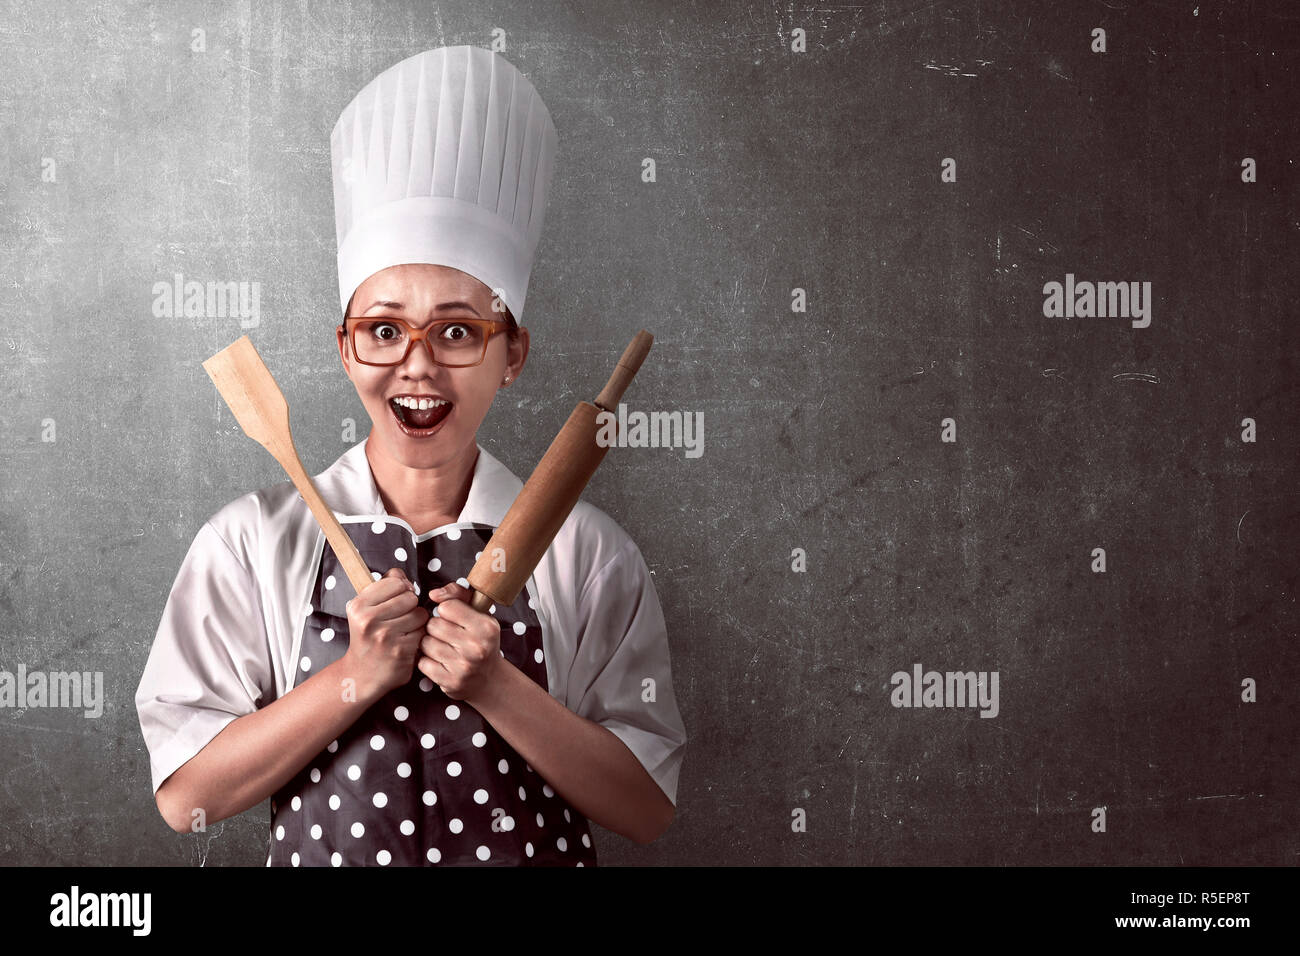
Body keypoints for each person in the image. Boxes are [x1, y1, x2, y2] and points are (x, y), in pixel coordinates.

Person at [135, 46, 686, 866]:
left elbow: (644, 811)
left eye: (458, 331)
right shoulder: (254, 542)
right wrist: (353, 676)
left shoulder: (587, 552)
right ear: (346, 349)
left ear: (514, 354)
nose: (418, 365)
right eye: (384, 330)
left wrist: (496, 687)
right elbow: (187, 800)